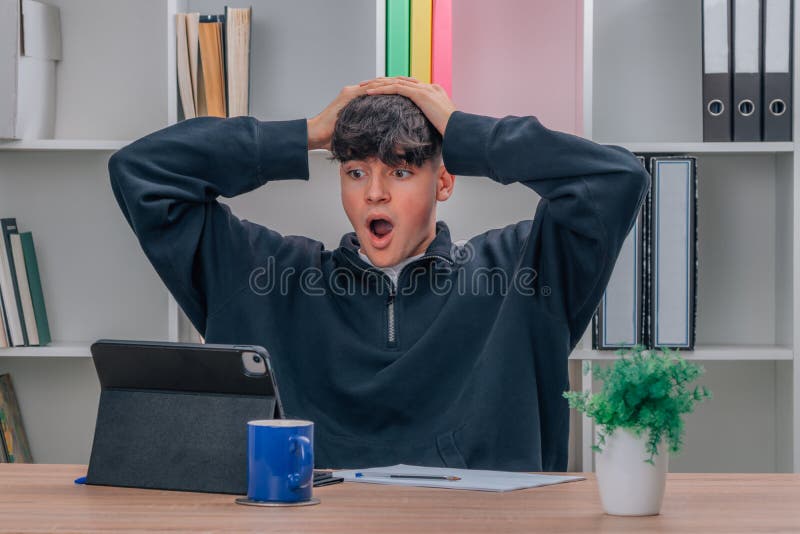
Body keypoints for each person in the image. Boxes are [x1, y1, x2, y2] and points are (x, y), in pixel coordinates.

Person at [109, 76, 650, 471]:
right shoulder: (263, 276)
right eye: (355, 171)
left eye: (401, 170)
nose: (375, 192)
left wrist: (465, 133)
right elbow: (142, 172)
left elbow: (615, 179)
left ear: (443, 182)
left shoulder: (521, 274)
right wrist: (306, 135)